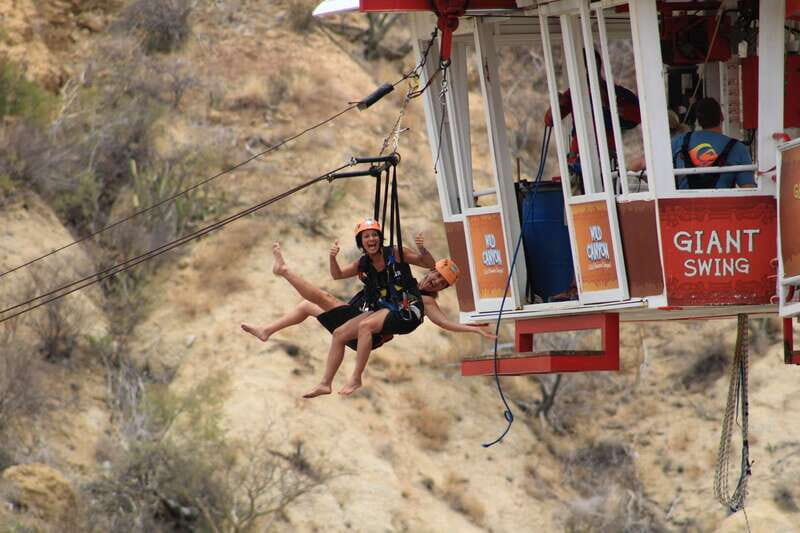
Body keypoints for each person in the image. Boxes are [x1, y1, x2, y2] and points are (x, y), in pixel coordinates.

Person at [241, 243, 496, 398]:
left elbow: (444, 323)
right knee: (310, 306)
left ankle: (284, 271)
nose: (435, 281)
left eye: (441, 282)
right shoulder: (406, 282)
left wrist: (472, 330)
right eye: (436, 275)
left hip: (371, 333)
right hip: (362, 322)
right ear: (429, 272)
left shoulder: (426, 301)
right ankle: (268, 331)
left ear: (443, 288)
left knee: (323, 297)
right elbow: (350, 273)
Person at [544, 49, 641, 184]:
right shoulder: (573, 94)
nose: (588, 70)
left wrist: (614, 108)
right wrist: (556, 105)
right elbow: (549, 120)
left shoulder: (614, 93)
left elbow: (637, 116)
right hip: (579, 155)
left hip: (607, 152)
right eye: (585, 65)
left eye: (592, 65)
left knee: (607, 185)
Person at [330, 218, 435, 312]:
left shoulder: (396, 252)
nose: (371, 239)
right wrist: (332, 258)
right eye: (366, 236)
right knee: (342, 315)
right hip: (381, 306)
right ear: (361, 243)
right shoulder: (363, 263)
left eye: (375, 235)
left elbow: (429, 264)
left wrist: (422, 249)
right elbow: (337, 275)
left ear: (380, 239)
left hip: (405, 303)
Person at [671, 97, 756, 189]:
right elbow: (748, 187)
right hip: (724, 202)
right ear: (722, 117)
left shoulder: (677, 142)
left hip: (682, 203)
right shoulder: (738, 148)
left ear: (698, 121)